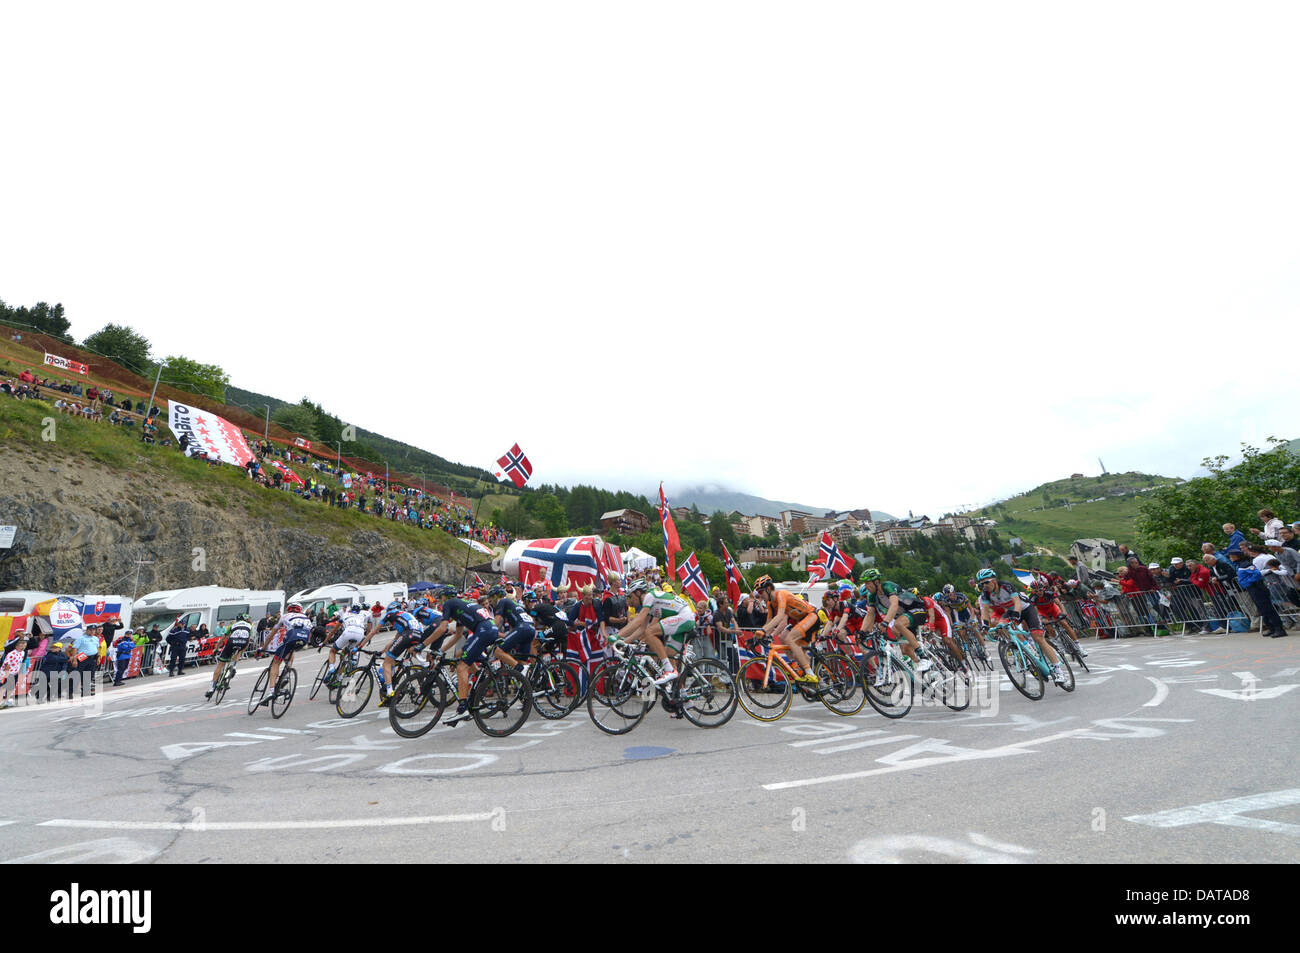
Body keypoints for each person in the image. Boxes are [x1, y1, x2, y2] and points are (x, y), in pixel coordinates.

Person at [976, 568, 1067, 684]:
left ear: (993, 580)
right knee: (1000, 626)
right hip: (1010, 610)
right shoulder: (985, 594)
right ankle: (1026, 648)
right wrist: (985, 626)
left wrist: (1015, 616)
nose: (984, 586)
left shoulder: (1006, 586)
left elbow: (1017, 603)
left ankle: (1058, 670)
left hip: (1025, 609)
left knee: (1038, 637)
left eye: (986, 582)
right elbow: (984, 611)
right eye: (981, 584)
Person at [854, 568, 928, 673]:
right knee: (905, 649)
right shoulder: (871, 596)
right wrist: (862, 632)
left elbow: (894, 604)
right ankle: (920, 666)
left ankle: (924, 658)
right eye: (864, 584)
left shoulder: (887, 586)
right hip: (904, 616)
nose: (866, 586)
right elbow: (870, 614)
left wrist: (885, 622)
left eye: (868, 583)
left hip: (916, 609)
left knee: (897, 624)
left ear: (876, 582)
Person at [618, 580, 689, 684]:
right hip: (675, 622)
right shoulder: (650, 602)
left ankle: (669, 671)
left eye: (631, 596)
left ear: (638, 593)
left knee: (650, 633)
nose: (631, 600)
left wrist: (617, 635)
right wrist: (624, 642)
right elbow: (641, 629)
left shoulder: (649, 597)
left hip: (682, 618)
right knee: (669, 657)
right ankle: (679, 693)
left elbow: (640, 622)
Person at [256, 604, 313, 706]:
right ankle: (287, 672)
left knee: (276, 662)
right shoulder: (305, 617)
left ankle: (271, 692)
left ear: (288, 610)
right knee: (291, 650)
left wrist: (263, 648)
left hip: (292, 636)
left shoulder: (285, 616)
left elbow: (271, 635)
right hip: (305, 639)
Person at [1226, 550, 1286, 637]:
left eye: (1231, 556)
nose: (1230, 558)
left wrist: (1248, 582)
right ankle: (1271, 628)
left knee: (1268, 608)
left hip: (1257, 587)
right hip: (1251, 588)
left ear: (1237, 556)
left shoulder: (1245, 564)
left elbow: (1257, 574)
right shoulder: (1239, 565)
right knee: (1262, 609)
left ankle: (1279, 629)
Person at [205, 613, 252, 698]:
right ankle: (233, 667)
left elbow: (223, 638)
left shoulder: (232, 625)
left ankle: (211, 688)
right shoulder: (249, 626)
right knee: (239, 652)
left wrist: (216, 648)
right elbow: (248, 640)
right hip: (243, 642)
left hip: (232, 642)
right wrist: (242, 650)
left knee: (220, 664)